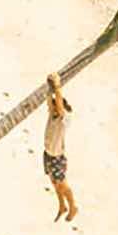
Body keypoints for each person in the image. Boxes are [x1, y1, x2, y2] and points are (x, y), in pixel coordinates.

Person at [43, 72, 78, 222]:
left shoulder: (65, 119)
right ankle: (62, 206)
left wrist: (57, 86)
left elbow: (57, 101)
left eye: (56, 106)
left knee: (62, 184)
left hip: (57, 157)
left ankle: (73, 206)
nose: (52, 108)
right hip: (48, 154)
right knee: (54, 183)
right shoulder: (53, 116)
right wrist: (49, 88)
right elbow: (50, 101)